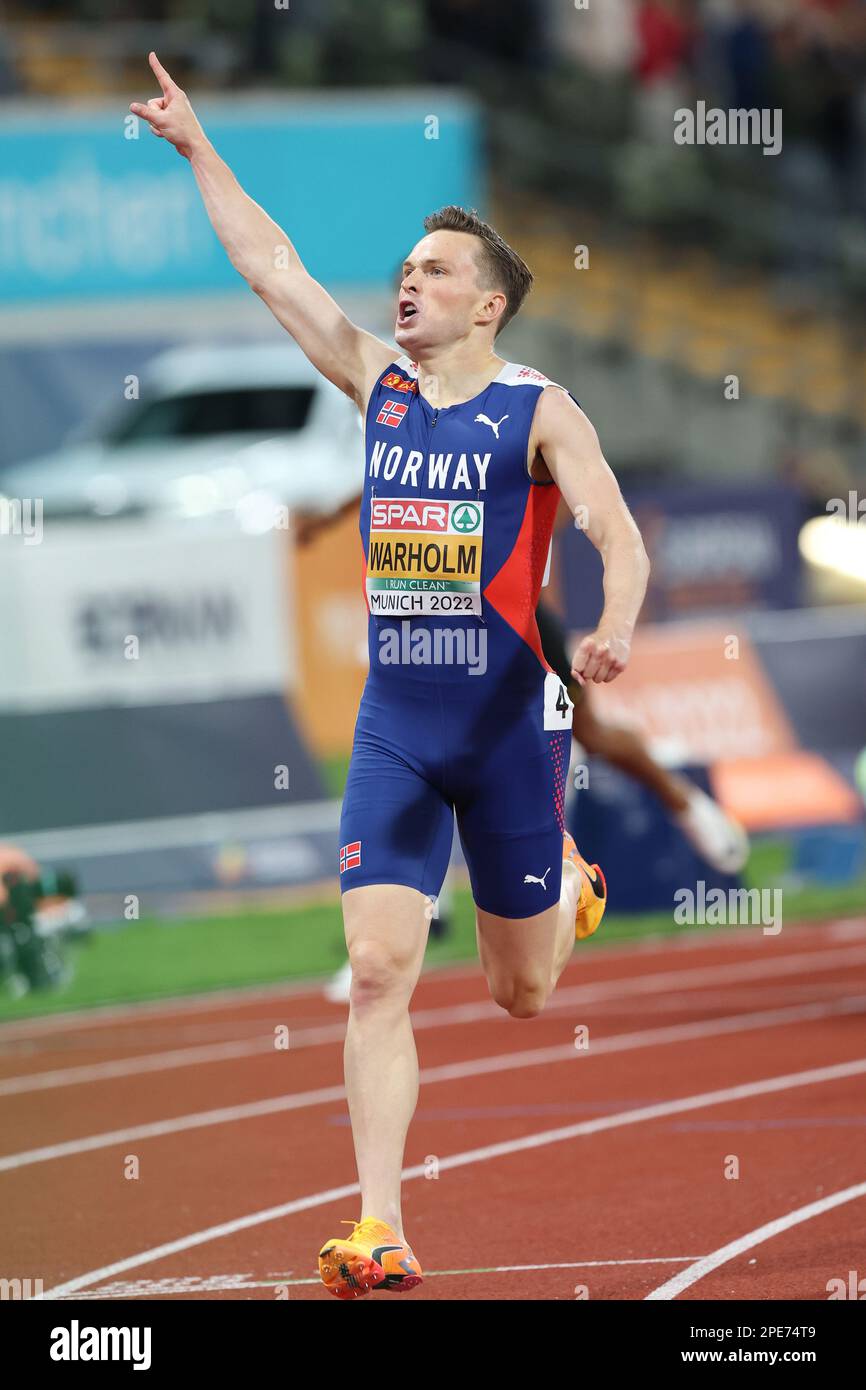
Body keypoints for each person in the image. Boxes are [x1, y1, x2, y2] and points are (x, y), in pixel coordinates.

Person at [131, 53, 650, 1299]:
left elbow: (614, 534)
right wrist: (201, 149)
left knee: (520, 994)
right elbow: (271, 266)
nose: (406, 283)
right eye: (405, 269)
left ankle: (565, 874)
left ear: (488, 306)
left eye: (433, 272)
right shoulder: (377, 383)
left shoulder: (538, 411)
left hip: (510, 726)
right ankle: (378, 1224)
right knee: (373, 971)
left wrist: (615, 625)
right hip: (398, 731)